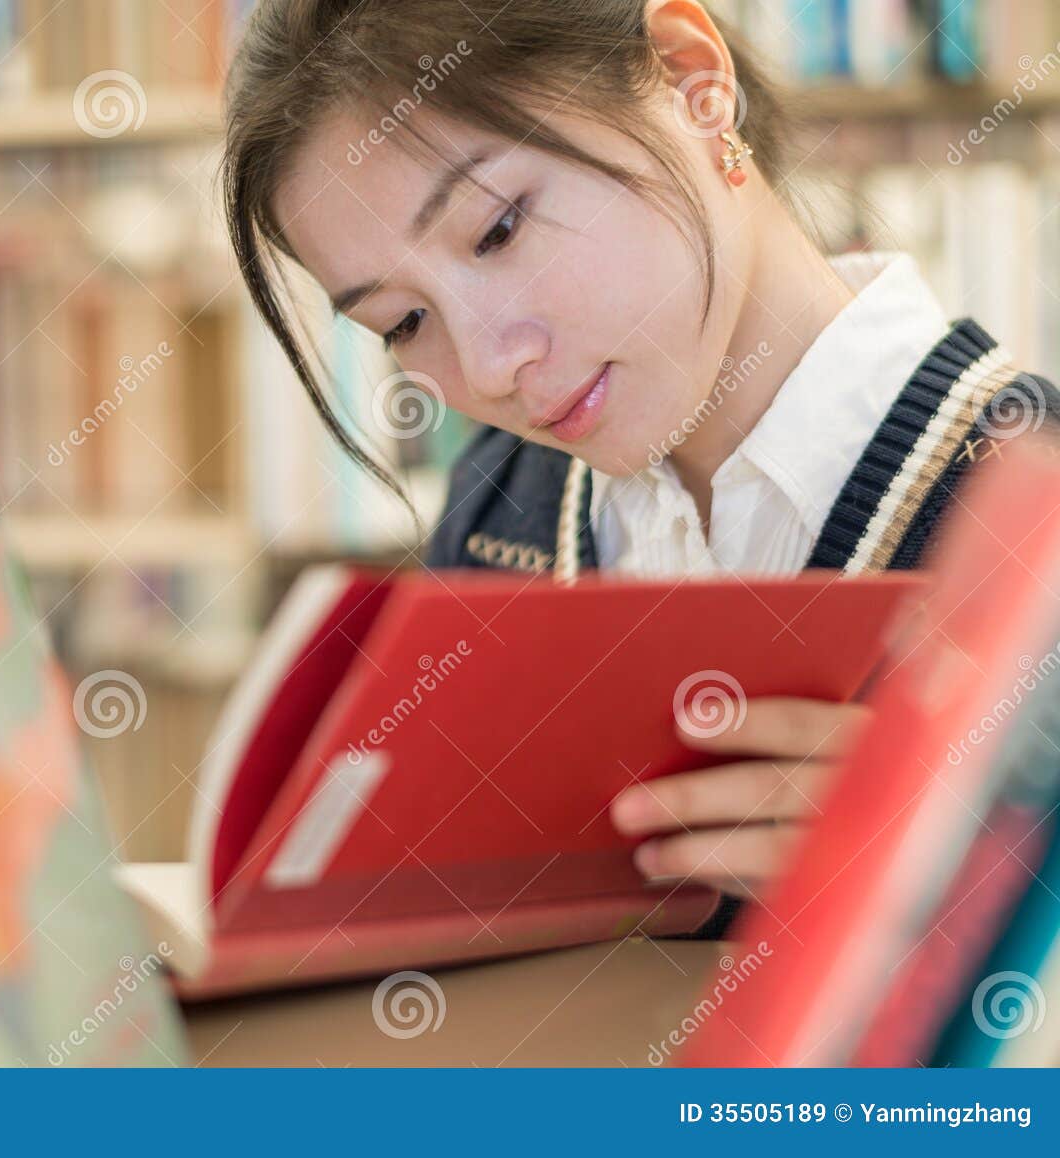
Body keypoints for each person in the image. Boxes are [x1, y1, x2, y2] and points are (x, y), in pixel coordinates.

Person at [219, 0, 1059, 926]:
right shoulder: (498, 516)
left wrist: (973, 892)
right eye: (404, 323)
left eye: (499, 229)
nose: (490, 367)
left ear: (693, 82)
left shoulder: (1033, 519)